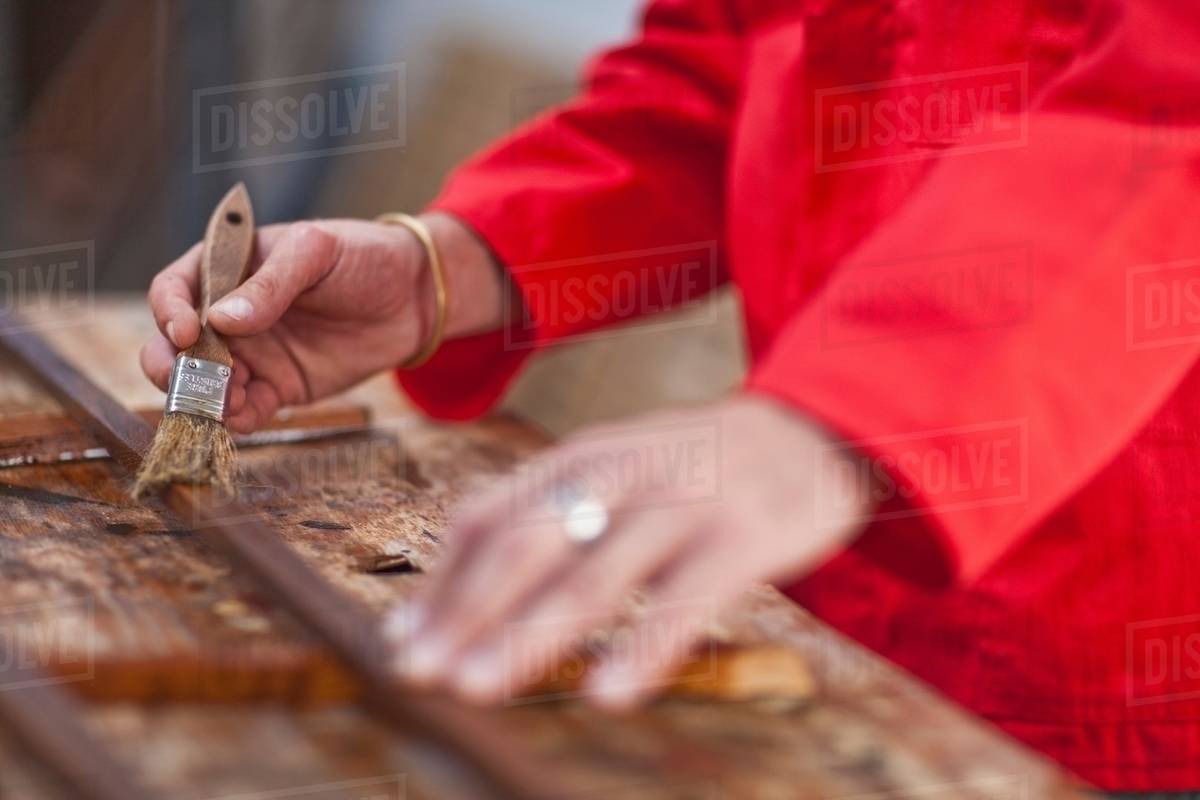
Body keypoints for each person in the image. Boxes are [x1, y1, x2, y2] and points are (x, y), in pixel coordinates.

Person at [142, 0, 1200, 794]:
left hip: (1124, 682)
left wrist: (848, 418)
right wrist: (445, 268)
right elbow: (712, 88)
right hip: (800, 608)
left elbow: (1169, 110)